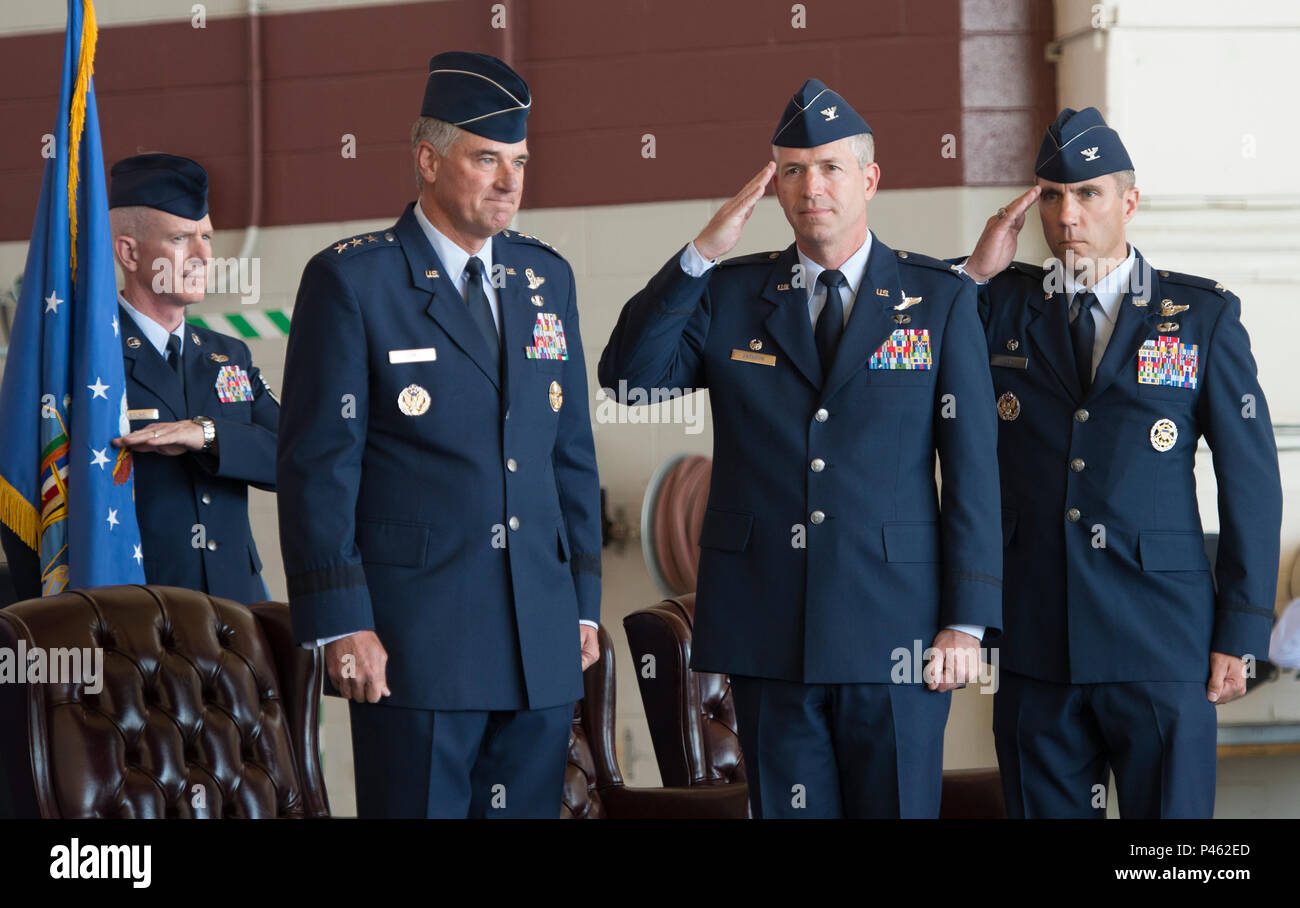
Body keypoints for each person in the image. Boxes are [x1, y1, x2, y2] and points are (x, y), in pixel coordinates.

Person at [599, 79, 1002, 818]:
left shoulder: (937, 299)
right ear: (773, 186)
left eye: (829, 167)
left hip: (898, 633)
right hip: (768, 633)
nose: (810, 185)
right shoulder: (728, 293)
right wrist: (697, 256)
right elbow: (629, 380)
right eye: (791, 169)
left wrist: (966, 623)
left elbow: (974, 468)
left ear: (869, 179)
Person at [277, 51, 602, 818]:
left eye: (519, 160)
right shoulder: (355, 280)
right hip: (415, 646)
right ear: (427, 160)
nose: (510, 181)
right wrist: (341, 622)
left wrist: (582, 605)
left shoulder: (545, 277)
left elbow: (570, 453)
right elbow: (319, 465)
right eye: (487, 158)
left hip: (538, 641)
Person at [960, 107, 1282, 817]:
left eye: (1088, 194)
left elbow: (1250, 483)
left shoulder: (1200, 318)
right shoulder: (995, 307)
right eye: (1050, 195)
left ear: (1129, 201)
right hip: (1036, 641)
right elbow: (900, 345)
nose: (1066, 214)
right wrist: (972, 273)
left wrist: (1242, 629)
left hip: (1162, 641)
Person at [1, 153, 278, 604]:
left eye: (206, 236)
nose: (204, 255)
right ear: (128, 251)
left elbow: (298, 456)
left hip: (237, 608)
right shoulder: (85, 361)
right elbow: (29, 489)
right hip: (135, 611)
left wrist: (205, 434)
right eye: (181, 238)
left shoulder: (229, 355)